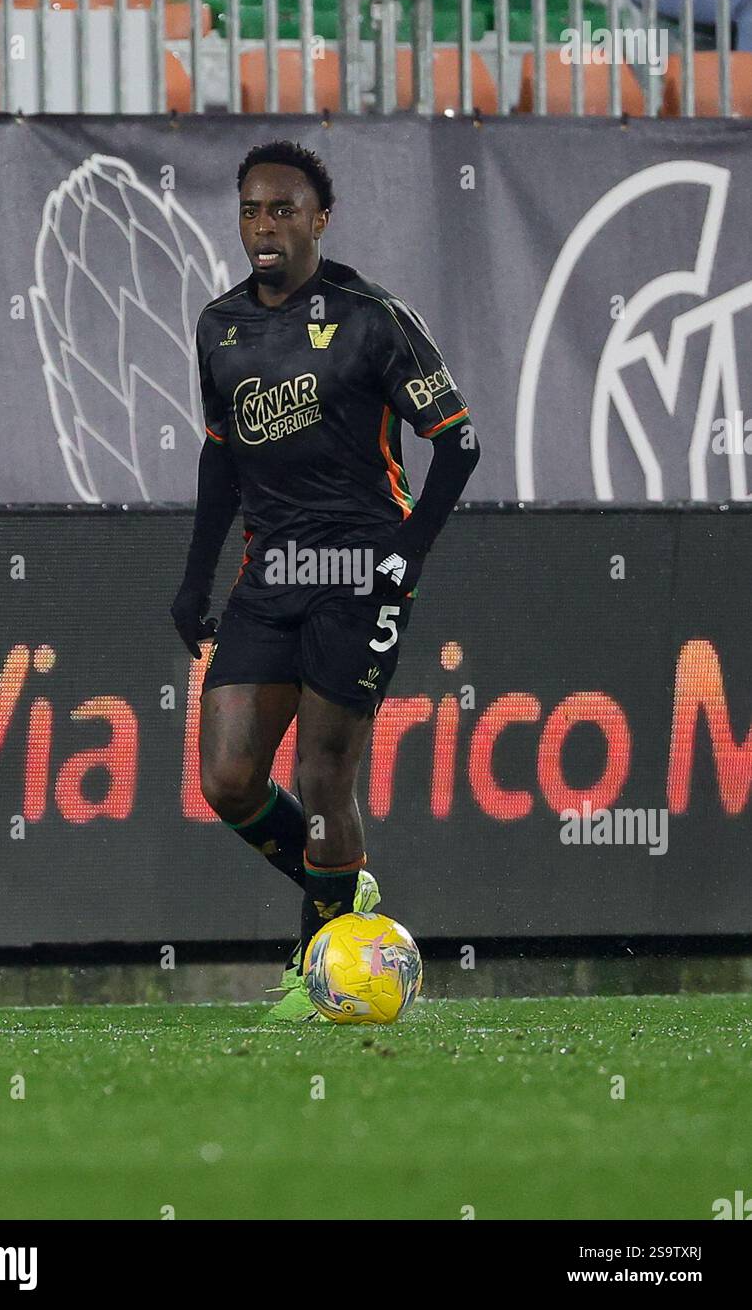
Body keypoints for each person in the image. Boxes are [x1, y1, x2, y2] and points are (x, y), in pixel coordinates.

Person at [171, 140, 481, 1021]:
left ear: (320, 219)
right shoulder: (218, 327)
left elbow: (457, 442)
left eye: (282, 210)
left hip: (360, 571)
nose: (264, 227)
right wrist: (194, 580)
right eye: (250, 211)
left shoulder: (372, 316)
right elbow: (221, 456)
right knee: (228, 780)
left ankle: (319, 971)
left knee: (323, 779)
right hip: (270, 571)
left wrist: (408, 552)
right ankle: (348, 897)